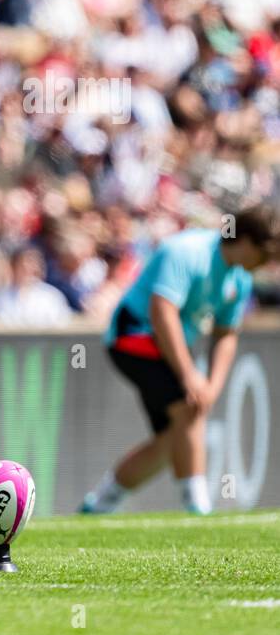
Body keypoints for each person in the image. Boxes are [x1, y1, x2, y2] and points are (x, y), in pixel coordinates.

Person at [81, 205, 280, 515]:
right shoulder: (188, 251)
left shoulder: (238, 279)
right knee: (188, 411)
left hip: (167, 348)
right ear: (247, 241)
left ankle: (97, 506)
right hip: (133, 336)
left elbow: (226, 333)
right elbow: (163, 312)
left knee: (169, 441)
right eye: (266, 253)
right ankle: (197, 508)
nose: (268, 263)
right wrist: (189, 375)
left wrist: (212, 386)